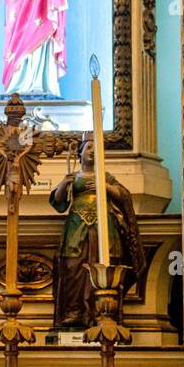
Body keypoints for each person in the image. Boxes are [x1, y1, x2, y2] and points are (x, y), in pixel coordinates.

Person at [49, 134, 145, 329]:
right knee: (74, 268)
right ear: (80, 153)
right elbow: (59, 202)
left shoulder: (106, 177)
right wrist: (63, 184)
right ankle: (74, 311)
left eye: (96, 148)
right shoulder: (74, 176)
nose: (92, 151)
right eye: (89, 147)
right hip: (77, 228)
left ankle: (102, 311)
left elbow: (123, 196)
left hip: (104, 226)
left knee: (104, 264)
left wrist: (106, 187)